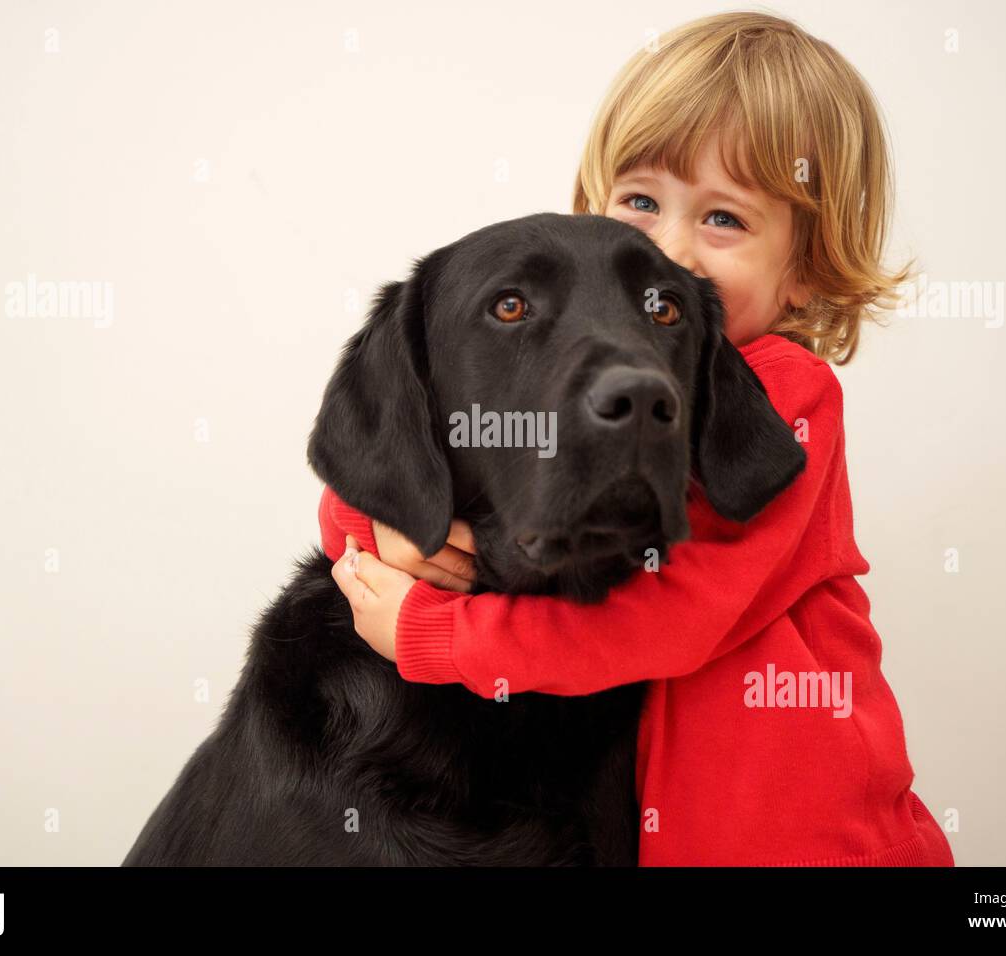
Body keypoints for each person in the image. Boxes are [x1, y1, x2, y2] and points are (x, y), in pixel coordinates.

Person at [322, 11, 954, 866]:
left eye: (723, 220)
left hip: (812, 843)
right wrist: (374, 530)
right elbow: (421, 449)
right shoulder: (594, 377)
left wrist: (433, 635)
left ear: (805, 270)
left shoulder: (783, 391)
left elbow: (660, 621)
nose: (669, 248)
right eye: (642, 202)